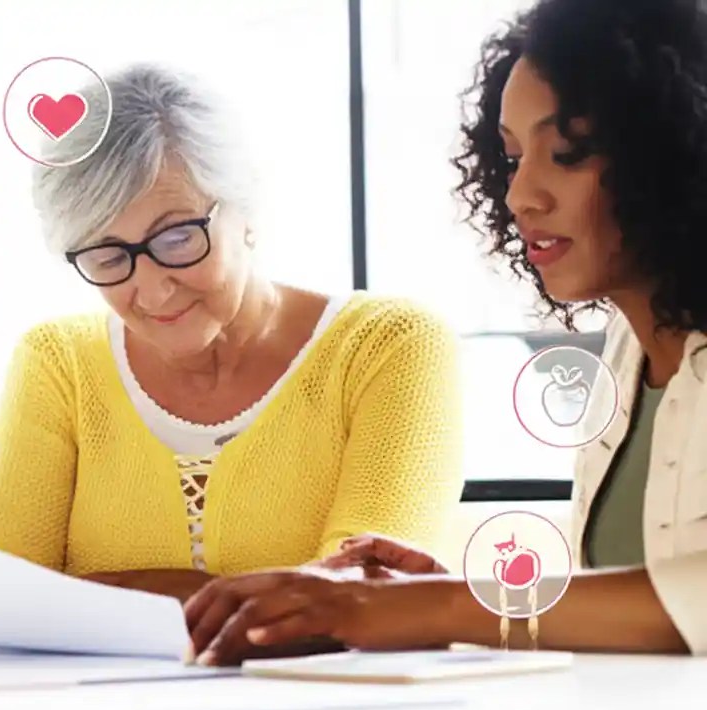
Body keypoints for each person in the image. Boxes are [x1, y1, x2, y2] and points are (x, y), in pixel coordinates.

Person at [186, 0, 707, 665]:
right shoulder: (627, 353)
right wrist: (432, 598)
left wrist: (436, 605)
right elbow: (635, 616)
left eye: (567, 153)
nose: (521, 195)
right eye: (512, 158)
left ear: (675, 152)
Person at [0, 63, 465, 602]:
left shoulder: (389, 346)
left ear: (243, 210)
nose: (153, 292)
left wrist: (89, 596)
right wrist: (254, 594)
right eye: (108, 256)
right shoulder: (57, 362)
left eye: (177, 238)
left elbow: (362, 602)